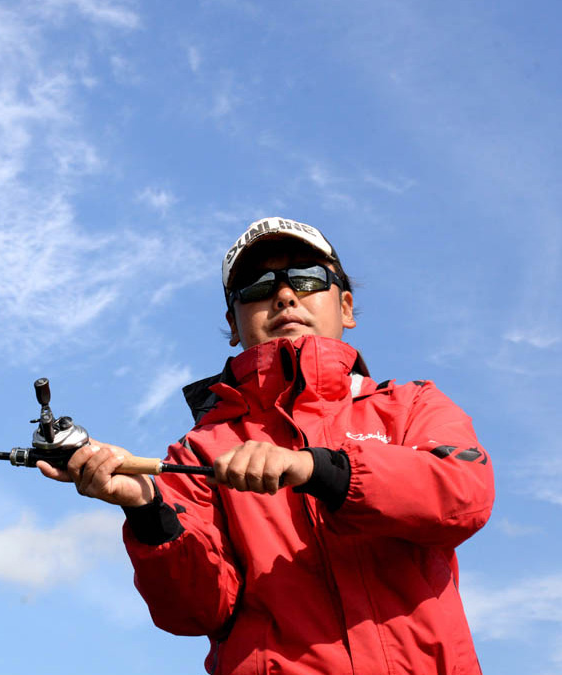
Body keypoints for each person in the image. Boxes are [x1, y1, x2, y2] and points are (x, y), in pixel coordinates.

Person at [39, 217, 494, 675]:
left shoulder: (414, 404)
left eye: (308, 278)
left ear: (348, 308)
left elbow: (463, 495)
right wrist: (146, 509)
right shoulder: (196, 453)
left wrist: (317, 468)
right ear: (233, 324)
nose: (284, 295)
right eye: (256, 287)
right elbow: (195, 610)